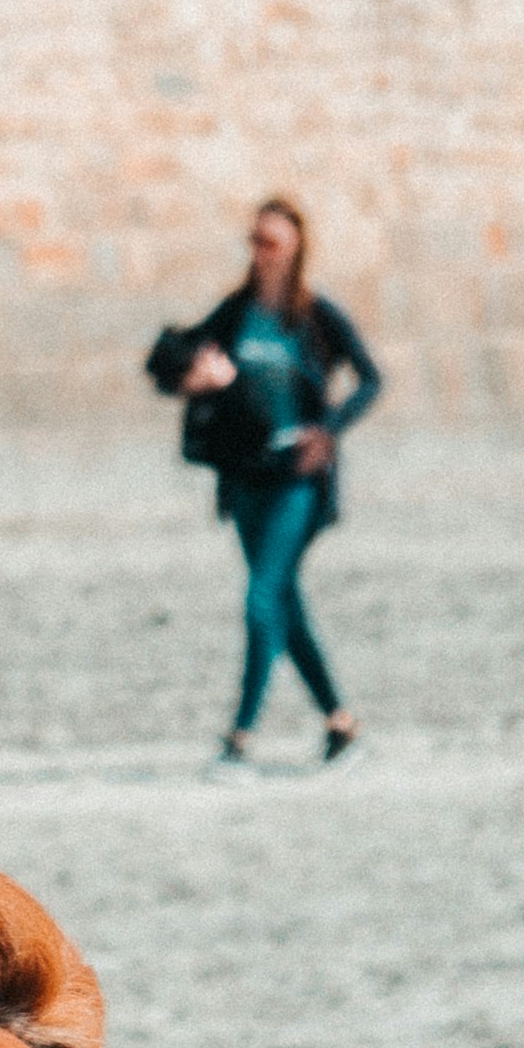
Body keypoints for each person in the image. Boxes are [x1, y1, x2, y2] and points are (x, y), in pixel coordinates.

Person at [146, 195, 381, 774]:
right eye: (254, 241)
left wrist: (327, 431)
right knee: (281, 602)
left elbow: (370, 379)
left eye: (271, 243)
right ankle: (340, 724)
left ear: (295, 248)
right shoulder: (234, 312)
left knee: (261, 599)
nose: (260, 253)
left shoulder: (314, 316)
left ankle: (240, 737)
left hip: (299, 481)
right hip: (246, 481)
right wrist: (200, 378)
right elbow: (169, 360)